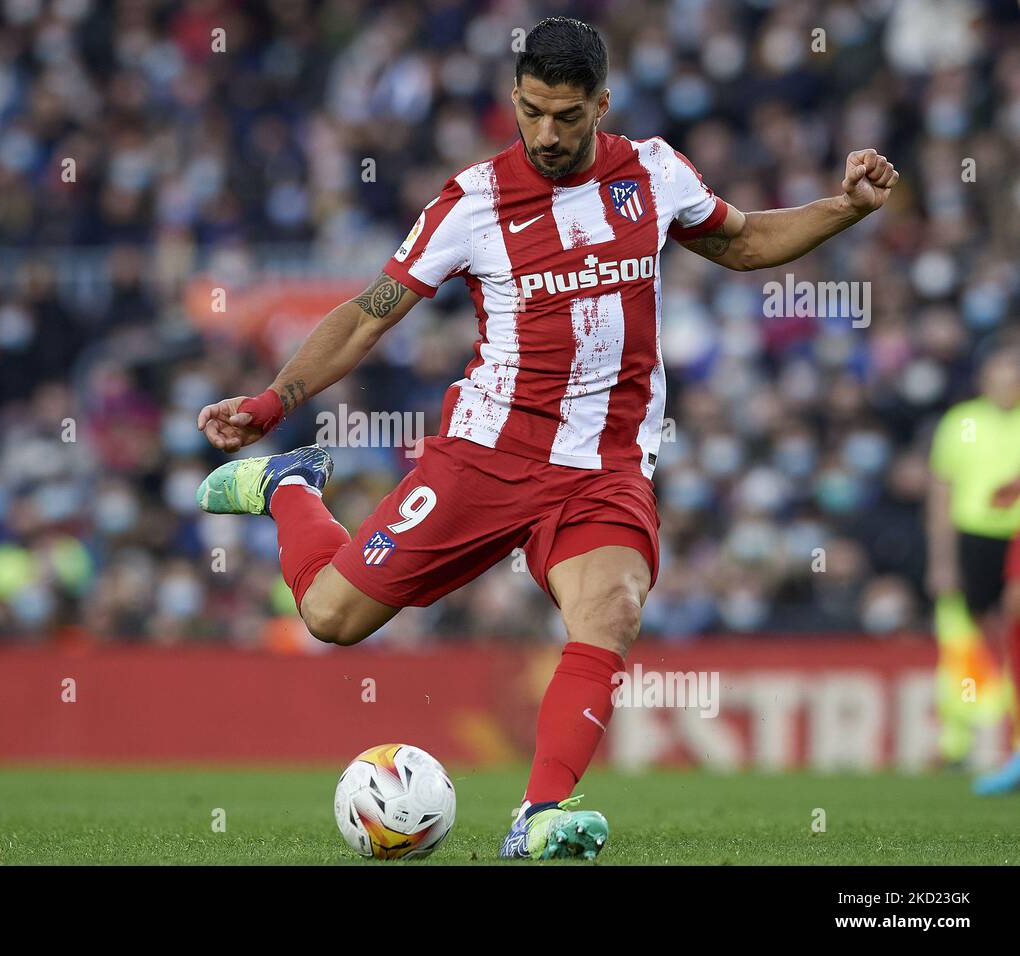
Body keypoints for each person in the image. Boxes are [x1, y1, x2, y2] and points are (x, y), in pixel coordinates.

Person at [195, 17, 899, 859]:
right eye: (531, 112)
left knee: (612, 610)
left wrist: (843, 207)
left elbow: (742, 242)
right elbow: (367, 316)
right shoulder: (472, 202)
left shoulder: (654, 172)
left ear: (602, 104)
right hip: (488, 454)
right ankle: (290, 485)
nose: (548, 134)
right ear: (515, 100)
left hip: (605, 466)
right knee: (330, 617)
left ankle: (537, 816)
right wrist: (271, 402)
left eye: (567, 115)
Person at [925, 347, 1020, 779]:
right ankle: (958, 740)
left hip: (1016, 540)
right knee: (962, 641)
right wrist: (942, 561)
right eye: (1003, 375)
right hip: (973, 538)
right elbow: (941, 492)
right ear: (985, 379)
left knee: (1012, 635)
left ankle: (1013, 744)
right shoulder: (961, 422)